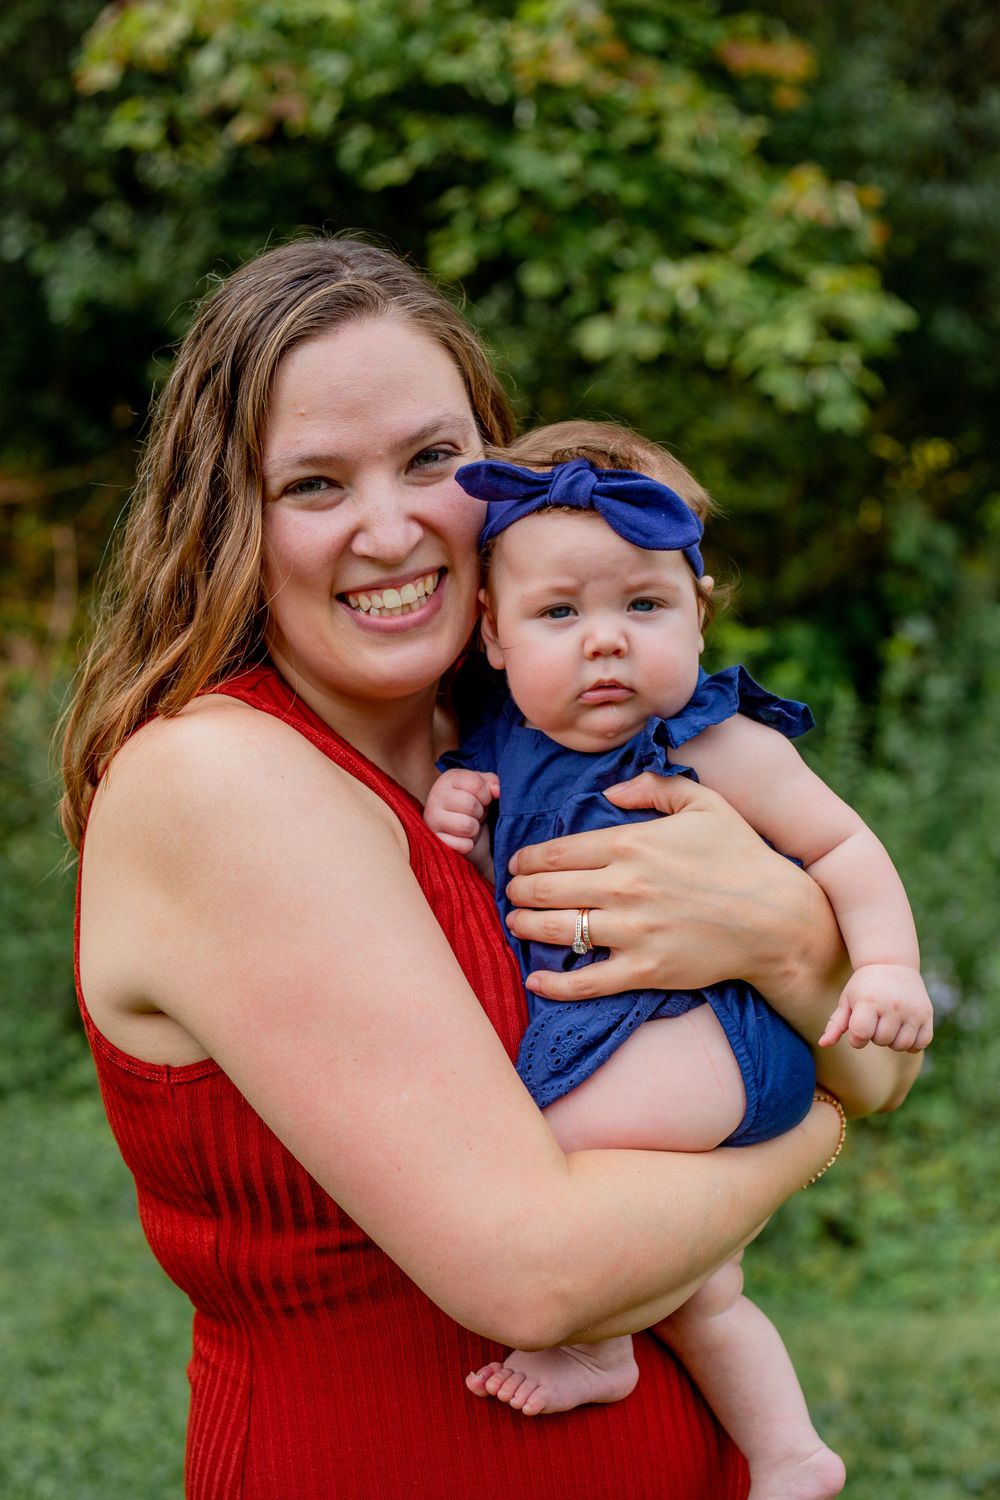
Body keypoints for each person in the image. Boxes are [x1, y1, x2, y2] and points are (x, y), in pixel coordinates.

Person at [61, 235, 921, 1500]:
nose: (391, 526)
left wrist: (782, 936)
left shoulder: (549, 730)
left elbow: (885, 1053)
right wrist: (813, 1127)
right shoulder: (222, 781)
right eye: (314, 484)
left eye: (429, 460)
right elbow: (535, 1274)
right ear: (231, 521)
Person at [424, 421, 933, 1498]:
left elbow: (844, 846)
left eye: (643, 606)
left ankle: (596, 1341)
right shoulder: (501, 744)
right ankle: (790, 1452)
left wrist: (885, 966)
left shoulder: (713, 742)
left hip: (709, 1035)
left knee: (543, 1152)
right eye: (560, 613)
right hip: (632, 1039)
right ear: (494, 634)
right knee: (706, 1293)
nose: (604, 642)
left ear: (699, 614)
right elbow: (498, 889)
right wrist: (460, 814)